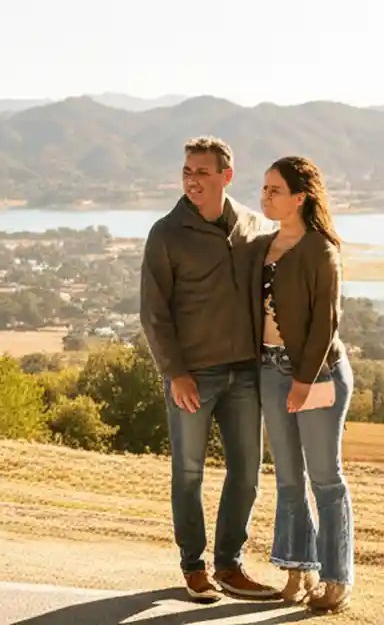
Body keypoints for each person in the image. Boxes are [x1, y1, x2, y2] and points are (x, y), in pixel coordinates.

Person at [140, 136, 279, 602]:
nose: (192, 179)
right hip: (193, 377)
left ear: (226, 175)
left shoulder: (254, 227)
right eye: (187, 171)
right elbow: (153, 312)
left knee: (247, 473)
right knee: (189, 473)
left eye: (202, 171)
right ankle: (193, 565)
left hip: (246, 374)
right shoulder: (166, 233)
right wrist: (175, 372)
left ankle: (230, 565)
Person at [253, 156, 354, 612]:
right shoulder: (261, 246)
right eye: (264, 189)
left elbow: (325, 324)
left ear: (300, 197)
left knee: (325, 478)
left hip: (317, 374)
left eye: (275, 189)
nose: (266, 196)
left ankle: (336, 580)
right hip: (268, 371)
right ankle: (298, 569)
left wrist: (301, 379)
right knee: (289, 480)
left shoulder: (320, 250)